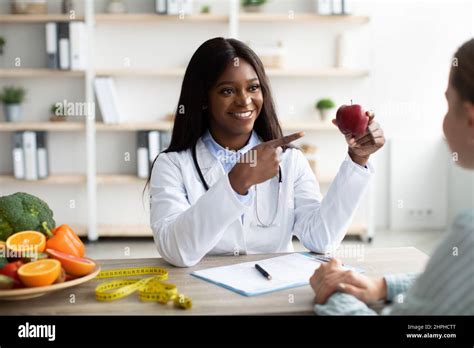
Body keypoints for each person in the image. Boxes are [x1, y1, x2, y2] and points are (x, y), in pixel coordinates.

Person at [147, 37, 385, 267]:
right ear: (203, 99)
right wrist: (236, 182)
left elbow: (322, 239)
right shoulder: (172, 165)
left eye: (253, 87)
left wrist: (358, 159)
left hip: (272, 292)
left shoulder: (290, 160)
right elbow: (176, 250)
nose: (245, 100)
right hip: (207, 297)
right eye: (227, 91)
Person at [310, 38, 474, 315]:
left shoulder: (469, 236)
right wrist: (384, 287)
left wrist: (336, 293)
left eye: (447, 104)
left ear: (470, 119)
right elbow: (453, 285)